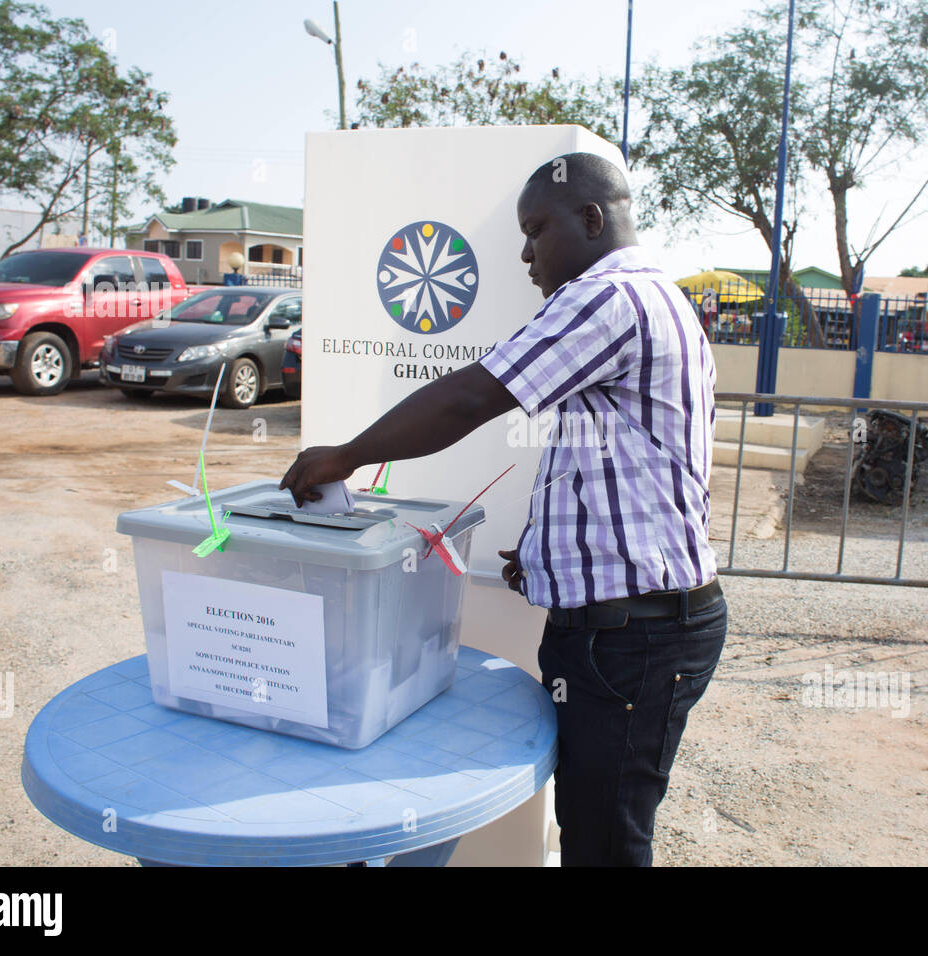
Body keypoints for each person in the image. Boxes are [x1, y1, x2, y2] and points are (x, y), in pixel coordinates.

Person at [279, 152, 725, 866]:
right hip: (641, 623)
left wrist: (345, 456)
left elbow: (471, 397)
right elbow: (634, 462)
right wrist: (554, 552)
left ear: (591, 218)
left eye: (535, 229)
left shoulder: (608, 299)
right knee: (597, 825)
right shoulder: (663, 301)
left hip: (633, 638)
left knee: (604, 842)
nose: (523, 253)